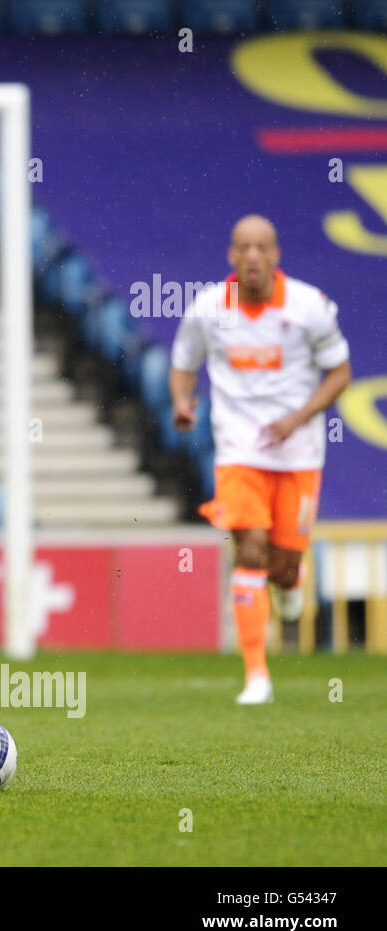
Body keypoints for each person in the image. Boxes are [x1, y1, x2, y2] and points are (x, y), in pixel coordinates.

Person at [171, 214, 351, 704]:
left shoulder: (308, 305)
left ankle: (291, 579)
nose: (253, 256)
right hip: (239, 449)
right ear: (231, 255)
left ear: (276, 255)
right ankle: (257, 676)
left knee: (284, 565)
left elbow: (340, 372)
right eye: (243, 247)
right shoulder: (209, 308)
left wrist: (299, 417)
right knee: (249, 548)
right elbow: (183, 363)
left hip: (299, 451)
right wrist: (182, 403)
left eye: (262, 247)